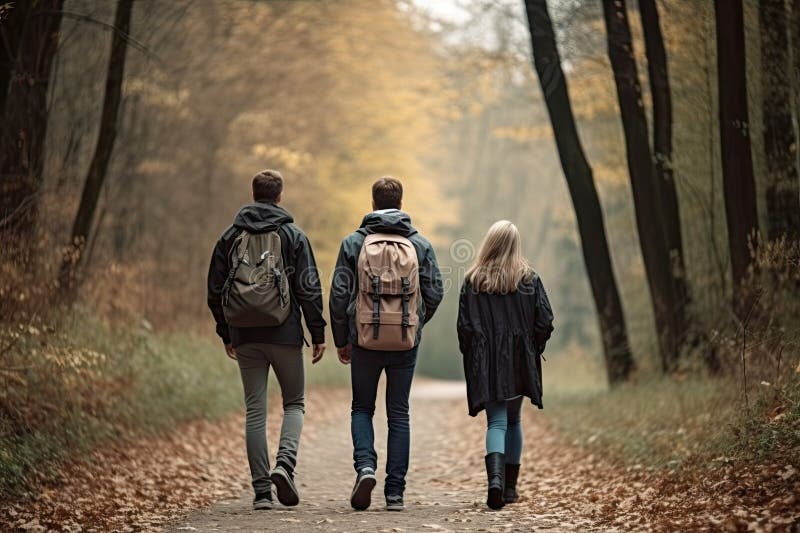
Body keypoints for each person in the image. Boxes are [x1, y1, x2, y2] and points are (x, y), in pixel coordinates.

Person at [207, 169, 326, 510]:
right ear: (279, 196)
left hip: (245, 335)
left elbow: (214, 291)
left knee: (255, 411)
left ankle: (261, 492)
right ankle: (284, 465)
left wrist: (227, 332)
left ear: (253, 193)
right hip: (285, 334)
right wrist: (317, 333)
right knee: (294, 403)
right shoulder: (293, 235)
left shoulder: (230, 235)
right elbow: (308, 287)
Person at [329, 176, 443, 512]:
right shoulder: (419, 244)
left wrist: (343, 338)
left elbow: (338, 296)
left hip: (364, 339)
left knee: (362, 408)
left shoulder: (353, 243)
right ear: (401, 203)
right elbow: (435, 292)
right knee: (399, 413)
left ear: (373, 203)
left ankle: (366, 467)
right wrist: (413, 323)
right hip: (405, 342)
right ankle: (395, 493)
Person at [456, 220, 554, 510]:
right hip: (520, 359)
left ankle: (494, 483)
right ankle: (510, 488)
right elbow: (545, 321)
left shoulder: (473, 282)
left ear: (489, 243)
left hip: (487, 360)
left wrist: (473, 355)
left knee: (496, 422)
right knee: (514, 420)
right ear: (515, 246)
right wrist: (533, 347)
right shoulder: (530, 280)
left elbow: (464, 327)